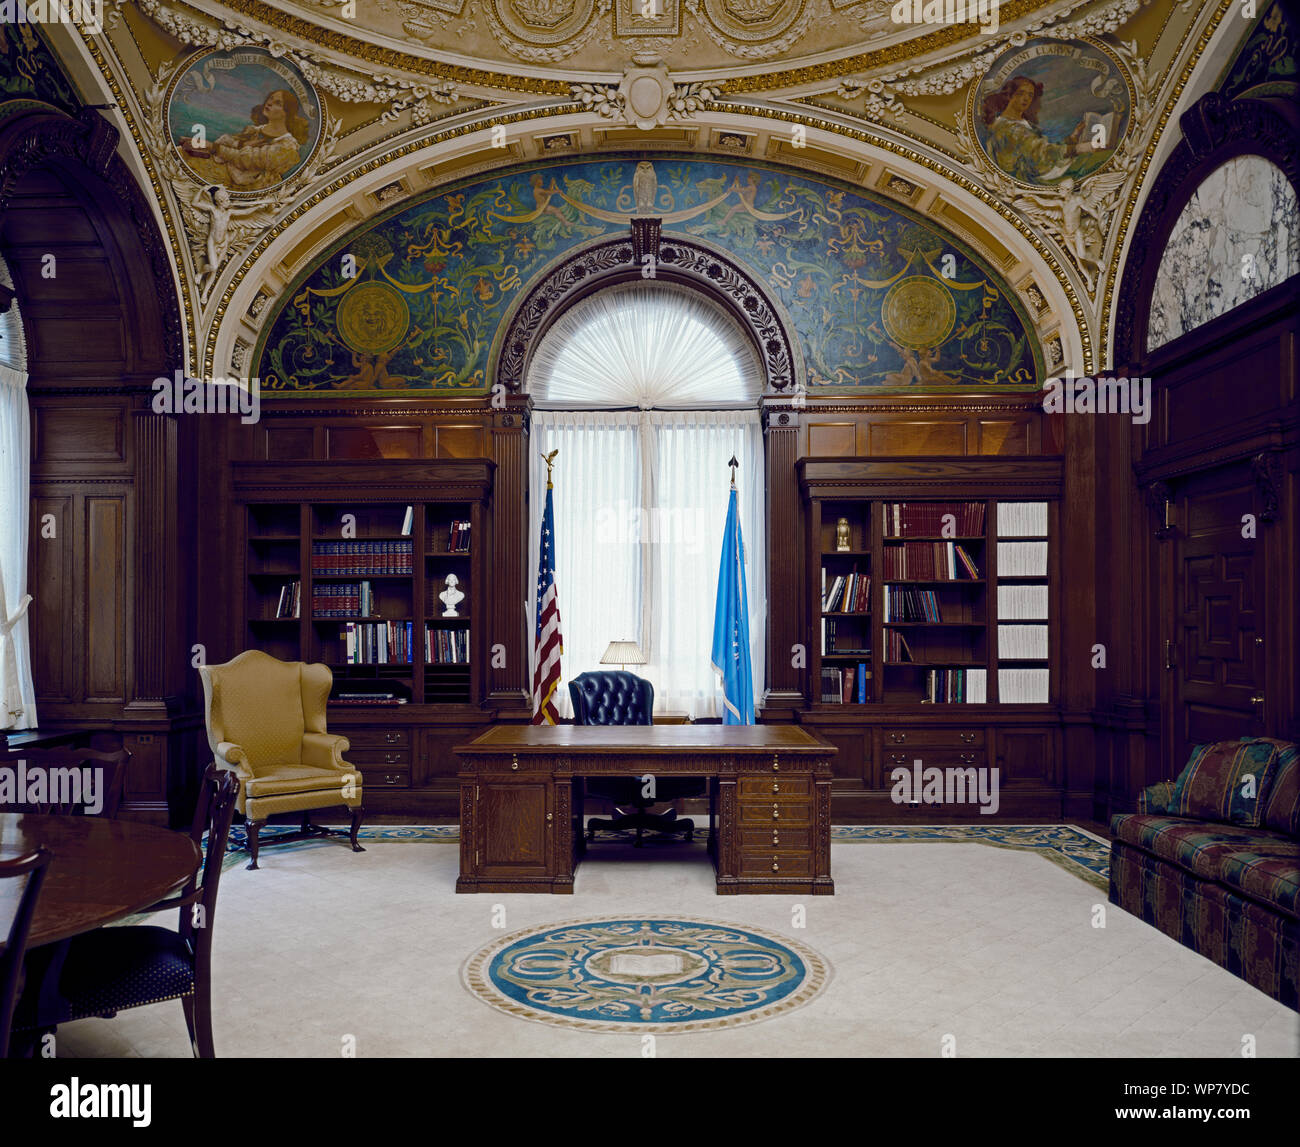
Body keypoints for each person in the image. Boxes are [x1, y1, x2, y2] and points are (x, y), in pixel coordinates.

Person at [182, 88, 310, 190]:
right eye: (270, 99)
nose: (269, 103)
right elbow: (235, 144)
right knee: (183, 153)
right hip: (228, 169)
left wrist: (212, 147)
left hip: (247, 185)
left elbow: (245, 159)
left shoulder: (287, 147)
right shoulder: (255, 130)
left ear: (286, 113)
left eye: (278, 103)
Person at [980, 75, 1098, 185]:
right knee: (1089, 163)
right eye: (1021, 93)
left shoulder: (1021, 122)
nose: (1026, 99)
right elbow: (1040, 151)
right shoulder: (1006, 127)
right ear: (1010, 95)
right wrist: (1078, 148)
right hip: (1031, 178)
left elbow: (1042, 147)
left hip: (1040, 169)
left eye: (1030, 95)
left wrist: (1073, 137)